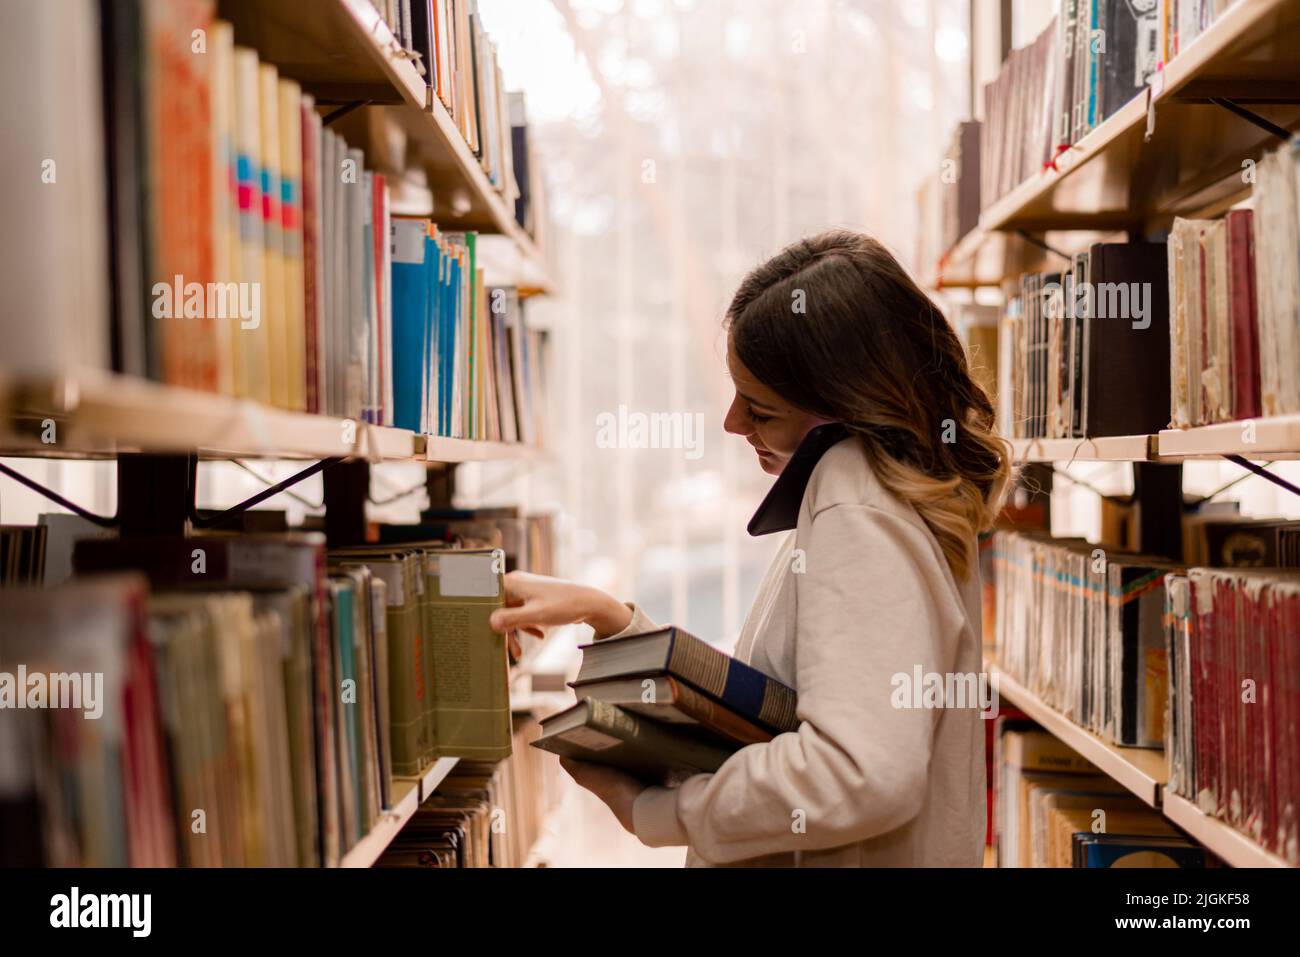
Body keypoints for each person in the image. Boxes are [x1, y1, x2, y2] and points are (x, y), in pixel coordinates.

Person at [490, 230, 1010, 866]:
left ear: (843, 408)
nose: (733, 422)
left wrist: (661, 811)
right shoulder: (880, 484)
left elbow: (859, 772)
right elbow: (780, 711)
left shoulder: (856, 503)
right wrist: (615, 622)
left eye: (760, 409)